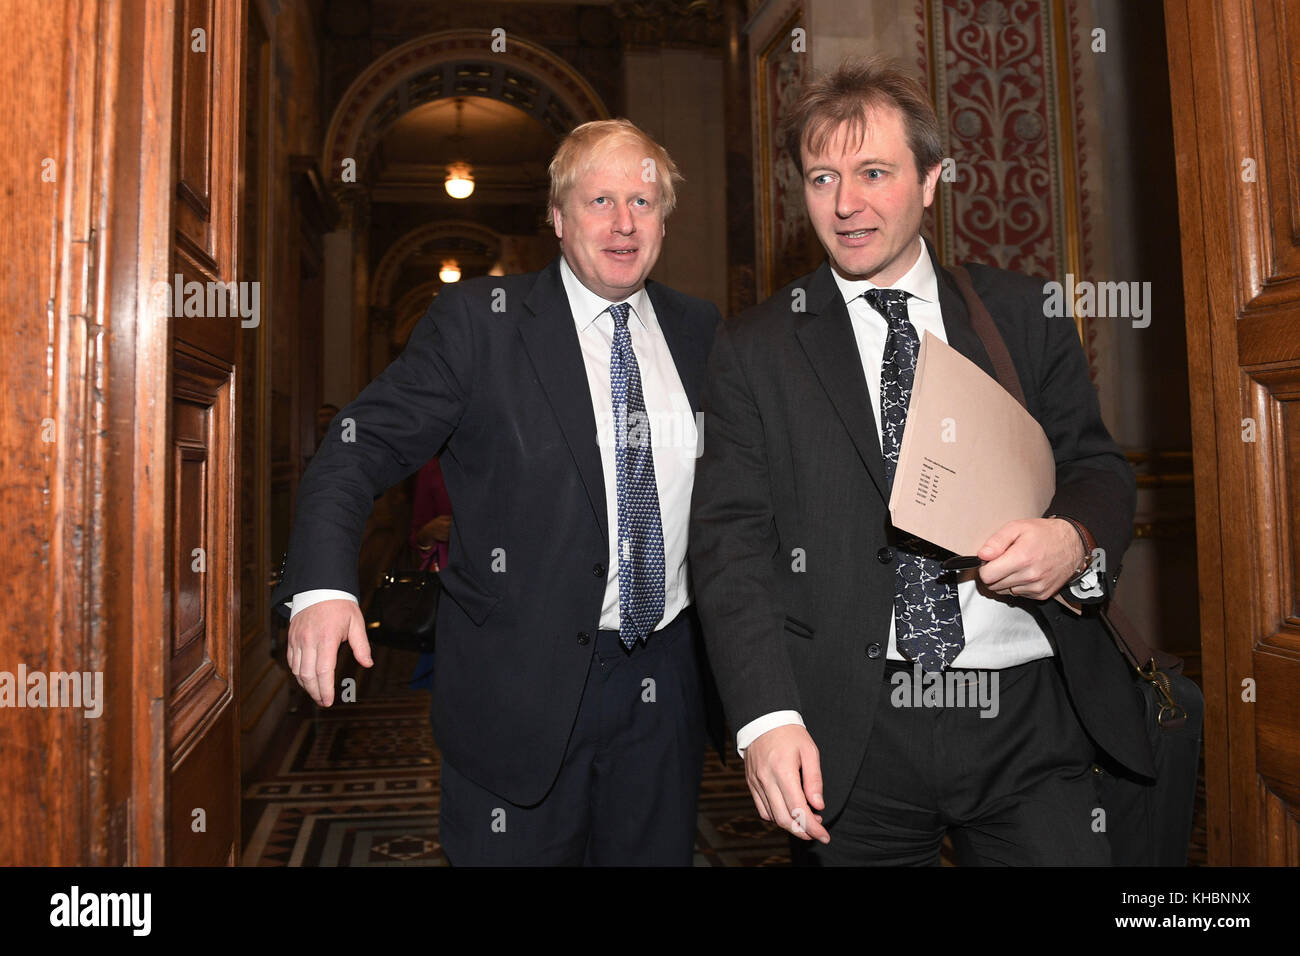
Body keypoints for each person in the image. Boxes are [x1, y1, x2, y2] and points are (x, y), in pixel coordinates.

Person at [689, 56, 1151, 865]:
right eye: (822, 177)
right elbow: (730, 548)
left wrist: (1074, 539)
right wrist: (765, 718)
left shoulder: (1023, 313)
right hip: (848, 731)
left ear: (932, 179)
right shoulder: (755, 347)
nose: (846, 203)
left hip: (1027, 716)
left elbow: (1097, 467)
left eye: (874, 172)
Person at [271, 118, 723, 866]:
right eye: (599, 200)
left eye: (643, 202)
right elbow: (360, 447)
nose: (622, 223)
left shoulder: (699, 329)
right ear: (556, 217)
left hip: (662, 689)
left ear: (665, 219)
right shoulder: (481, 325)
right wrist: (321, 584)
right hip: (517, 693)